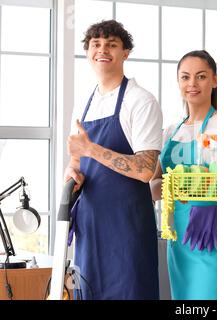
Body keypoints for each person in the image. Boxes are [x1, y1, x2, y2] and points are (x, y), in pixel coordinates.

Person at [64, 20, 162, 299]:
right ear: (88, 52)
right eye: (96, 44)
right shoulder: (84, 101)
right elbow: (75, 159)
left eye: (111, 44)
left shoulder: (140, 101)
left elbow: (146, 170)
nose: (102, 49)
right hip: (90, 225)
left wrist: (92, 149)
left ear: (125, 52)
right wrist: (71, 175)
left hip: (126, 227)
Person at [151, 50, 217, 300]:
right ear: (178, 82)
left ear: (214, 80)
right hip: (179, 238)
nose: (192, 84)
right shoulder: (169, 132)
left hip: (216, 234)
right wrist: (170, 186)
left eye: (201, 76)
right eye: (185, 77)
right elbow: (154, 184)